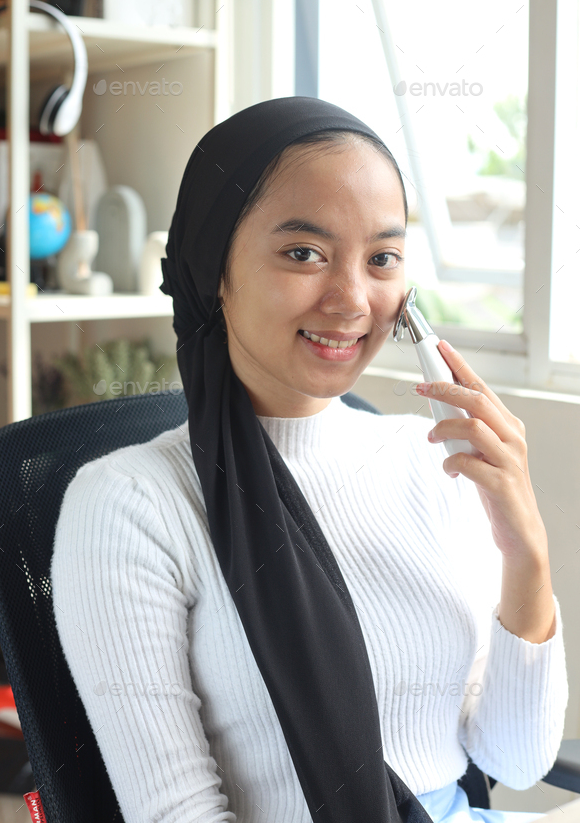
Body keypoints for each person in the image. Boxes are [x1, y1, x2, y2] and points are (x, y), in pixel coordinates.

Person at [50, 97, 568, 823]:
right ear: (213, 269)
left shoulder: (432, 461)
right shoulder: (130, 504)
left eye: (382, 258)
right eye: (304, 253)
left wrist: (526, 552)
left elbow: (515, 760)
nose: (353, 299)